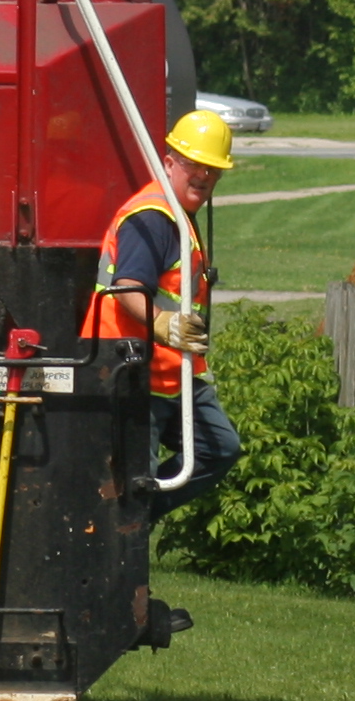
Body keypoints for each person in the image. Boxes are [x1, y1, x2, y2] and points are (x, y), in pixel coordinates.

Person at [79, 108, 245, 511]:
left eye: (213, 169)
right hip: (132, 370)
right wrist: (162, 323)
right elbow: (126, 288)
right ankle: (124, 544)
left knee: (221, 448)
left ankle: (137, 521)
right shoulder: (153, 216)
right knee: (137, 479)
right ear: (169, 162)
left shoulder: (178, 216)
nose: (203, 176)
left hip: (174, 373)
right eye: (194, 164)